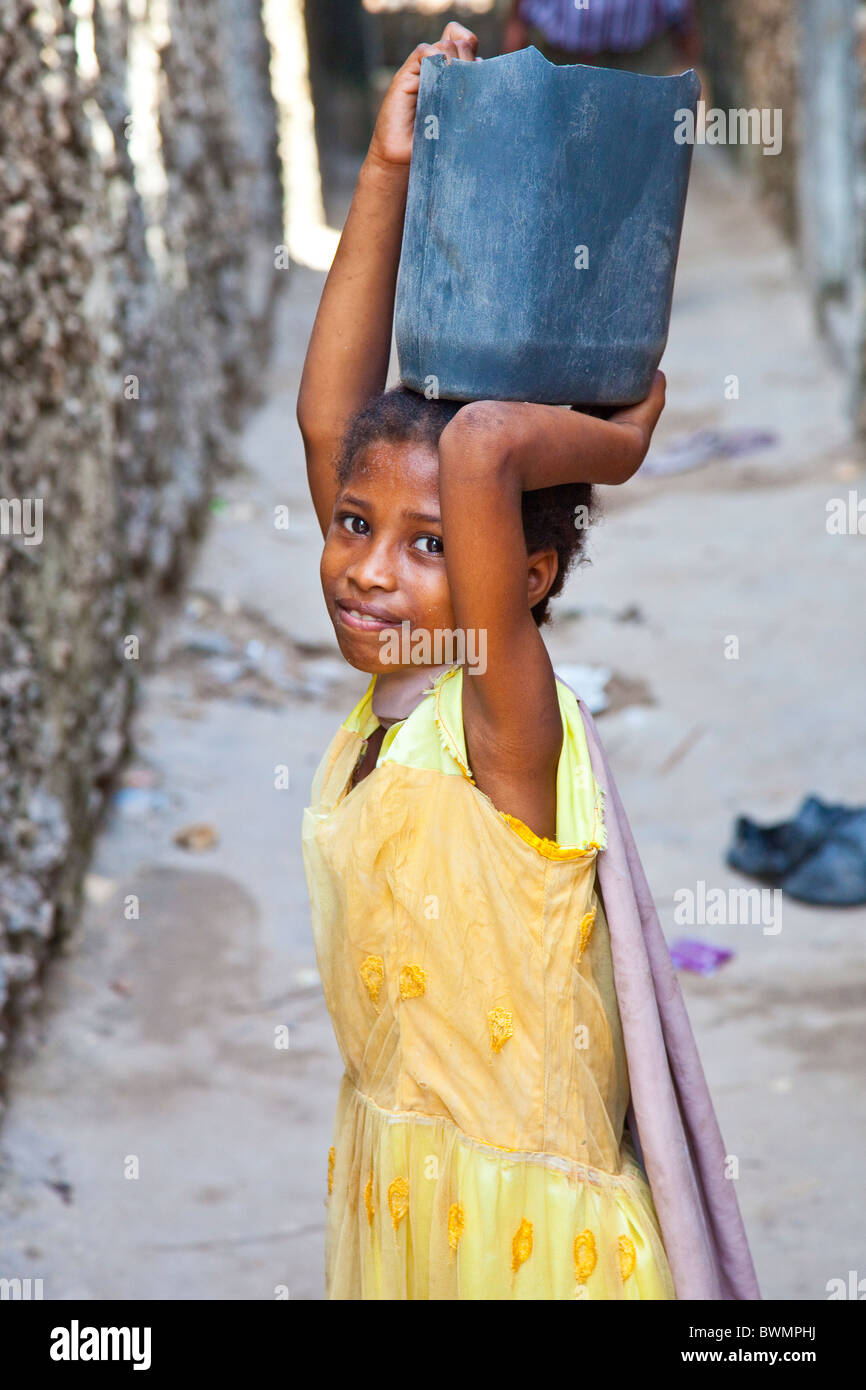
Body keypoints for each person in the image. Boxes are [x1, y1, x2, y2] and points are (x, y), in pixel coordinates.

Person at [297, 23, 758, 1300]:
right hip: (400, 1210)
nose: (370, 570)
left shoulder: (506, 724)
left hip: (534, 1258)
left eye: (429, 544)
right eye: (352, 527)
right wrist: (390, 170)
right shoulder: (398, 684)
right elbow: (332, 421)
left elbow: (487, 441)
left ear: (526, 575)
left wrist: (616, 449)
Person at [504, 0, 701, 77]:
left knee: (631, 138)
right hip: (561, 55)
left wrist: (687, 45)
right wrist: (517, 26)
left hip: (637, 56)